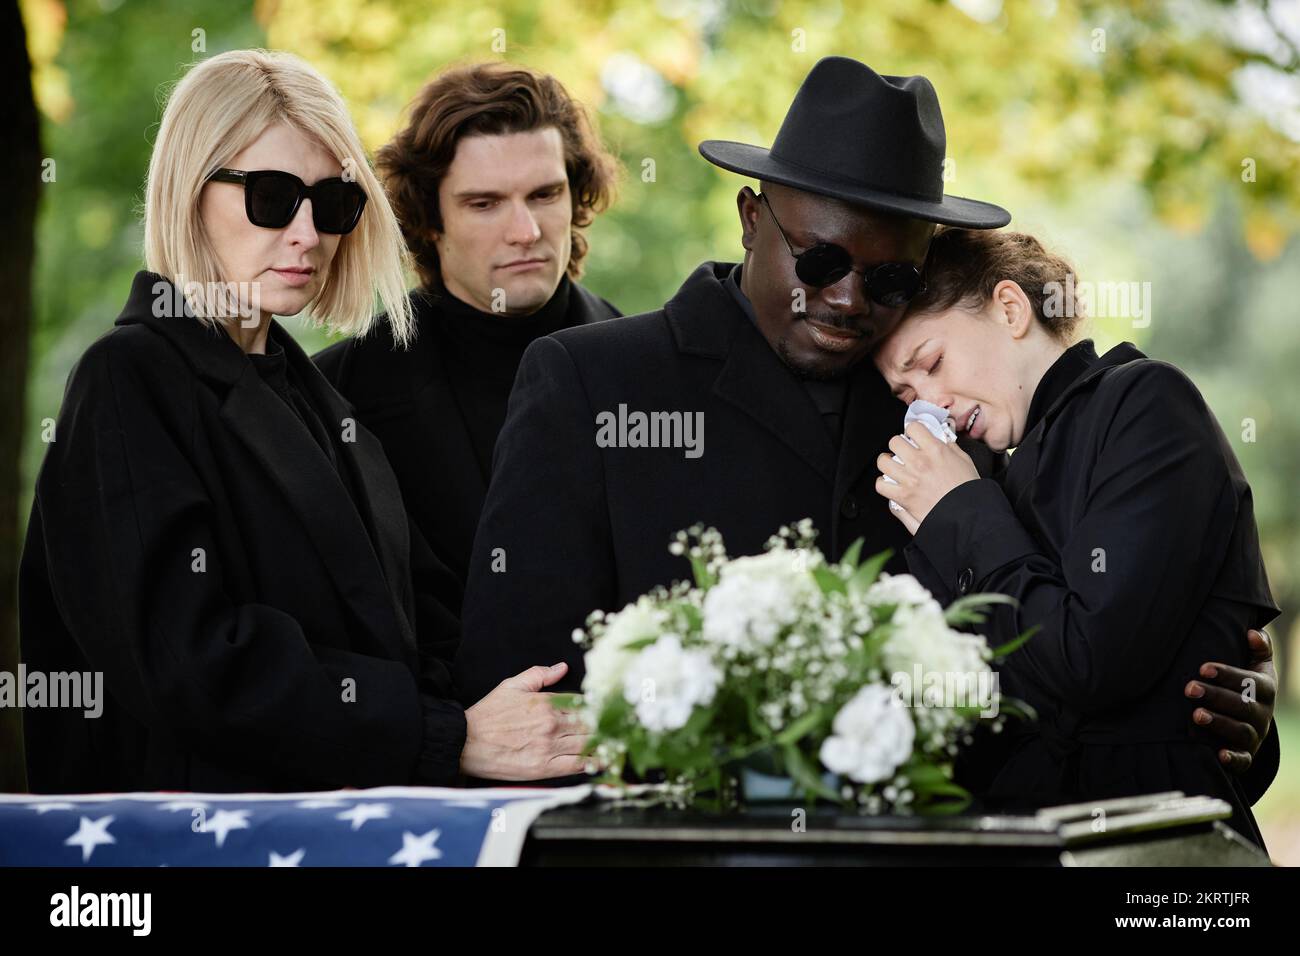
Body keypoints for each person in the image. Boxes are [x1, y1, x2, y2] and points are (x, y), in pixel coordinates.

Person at [452, 55, 1278, 794]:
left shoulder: (963, 413)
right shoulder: (591, 382)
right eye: (820, 260)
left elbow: (1055, 649)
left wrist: (1221, 720)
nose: (849, 299)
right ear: (750, 218)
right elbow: (522, 694)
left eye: (889, 278)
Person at [19, 49, 585, 793]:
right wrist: (445, 735)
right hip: (186, 842)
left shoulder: (316, 397)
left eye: (332, 201)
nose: (308, 232)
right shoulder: (129, 378)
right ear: (190, 192)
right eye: (273, 196)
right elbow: (191, 662)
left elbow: (415, 631)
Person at [872, 226, 1280, 843]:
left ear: (1011, 309)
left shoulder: (1145, 401)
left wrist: (960, 509)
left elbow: (1091, 663)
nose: (931, 405)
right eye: (907, 394)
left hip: (1146, 851)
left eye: (931, 363)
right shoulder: (994, 476)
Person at [314, 62, 621, 587]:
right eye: (485, 204)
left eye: (544, 195)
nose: (525, 231)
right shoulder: (338, 395)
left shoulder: (644, 365)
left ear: (575, 198)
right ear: (429, 221)